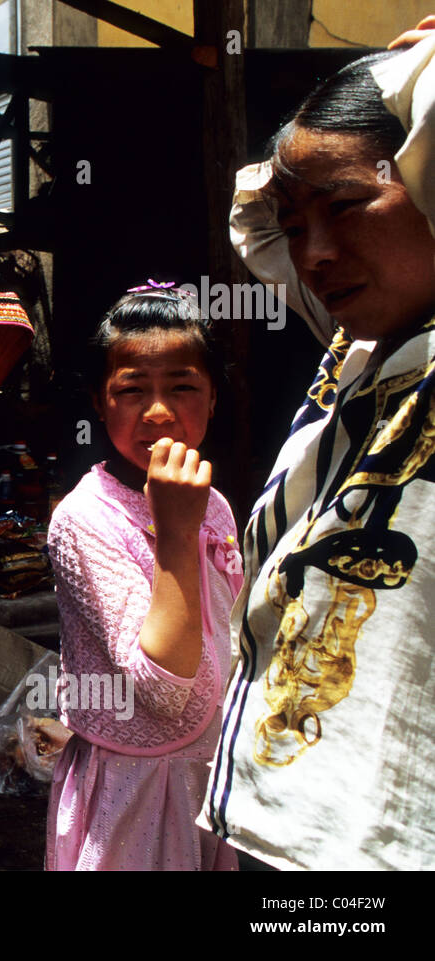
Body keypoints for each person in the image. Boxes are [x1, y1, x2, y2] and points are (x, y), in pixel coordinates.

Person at [202, 20, 435, 870]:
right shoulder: (359, 356)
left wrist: (422, 77)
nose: (315, 253)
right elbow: (252, 215)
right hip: (290, 833)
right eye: (300, 223)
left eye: (346, 206)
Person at [46, 285, 241, 870]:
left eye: (183, 387)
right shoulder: (83, 519)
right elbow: (161, 691)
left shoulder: (215, 505)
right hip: (136, 788)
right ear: (100, 403)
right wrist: (176, 535)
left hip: (208, 775)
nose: (158, 412)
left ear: (212, 399)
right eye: (132, 390)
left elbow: (228, 634)